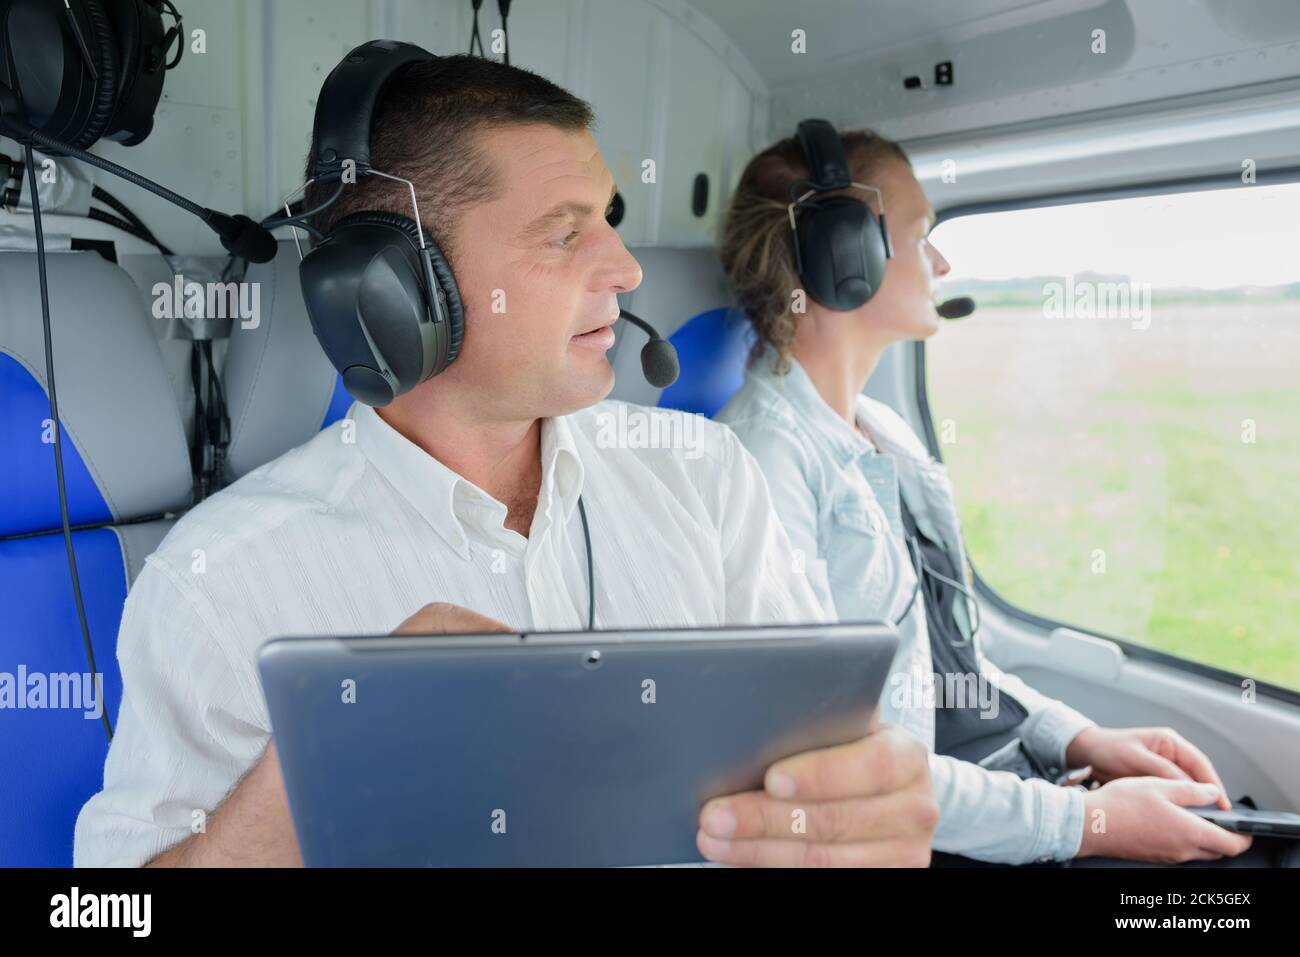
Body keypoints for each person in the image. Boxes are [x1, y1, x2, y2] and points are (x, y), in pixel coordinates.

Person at [73, 55, 936, 868]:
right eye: (564, 237)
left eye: (609, 219)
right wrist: (293, 797)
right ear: (400, 289)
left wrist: (855, 816)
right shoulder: (218, 581)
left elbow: (818, 771)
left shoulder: (705, 477)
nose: (628, 268)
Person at [713, 125, 1257, 866]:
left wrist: (1075, 735)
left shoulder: (883, 433)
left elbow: (948, 665)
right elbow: (845, 763)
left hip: (988, 796)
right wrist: (1085, 821)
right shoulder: (764, 461)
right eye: (921, 235)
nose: (941, 261)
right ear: (844, 254)